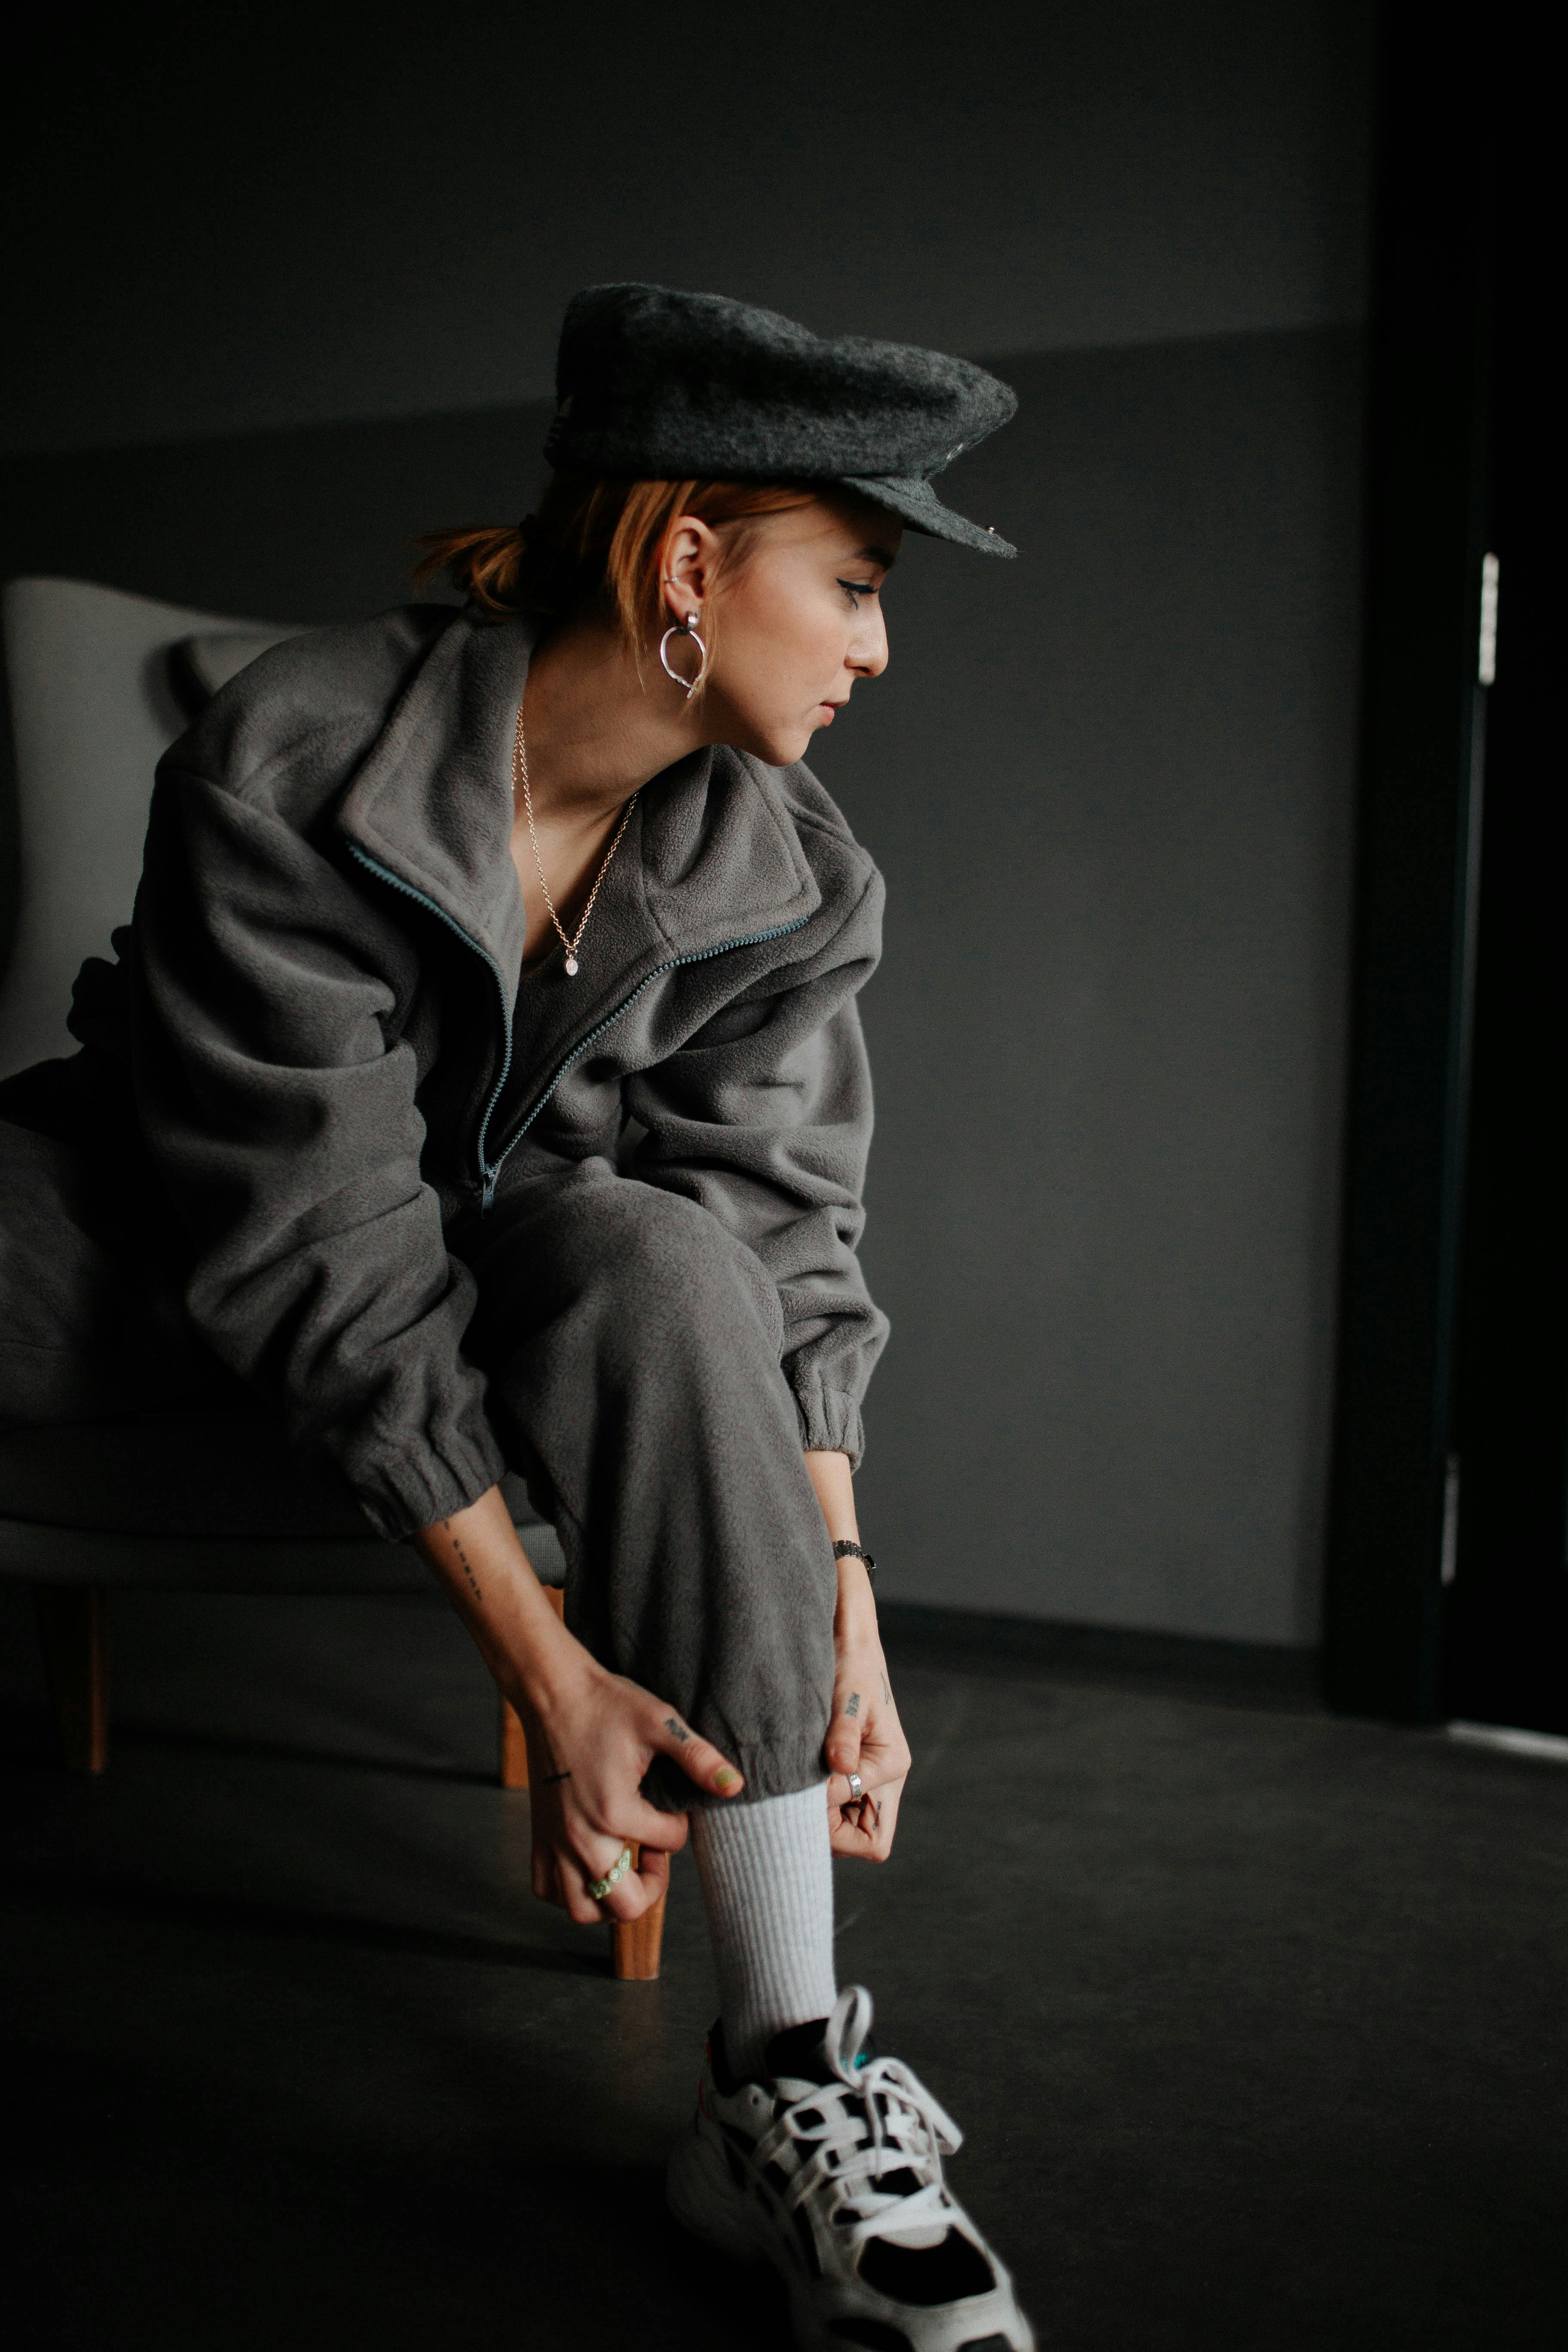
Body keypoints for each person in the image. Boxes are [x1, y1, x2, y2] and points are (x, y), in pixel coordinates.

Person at [0, 282, 1032, 2352]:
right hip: (150, 1213)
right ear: (686, 562)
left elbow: (778, 1239)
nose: (876, 647)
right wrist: (551, 1677)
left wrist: (844, 1600)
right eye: (851, 582)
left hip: (502, 1263)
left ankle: (787, 2087)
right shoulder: (298, 747)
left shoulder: (801, 876)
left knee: (665, 1263)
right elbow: (316, 1234)